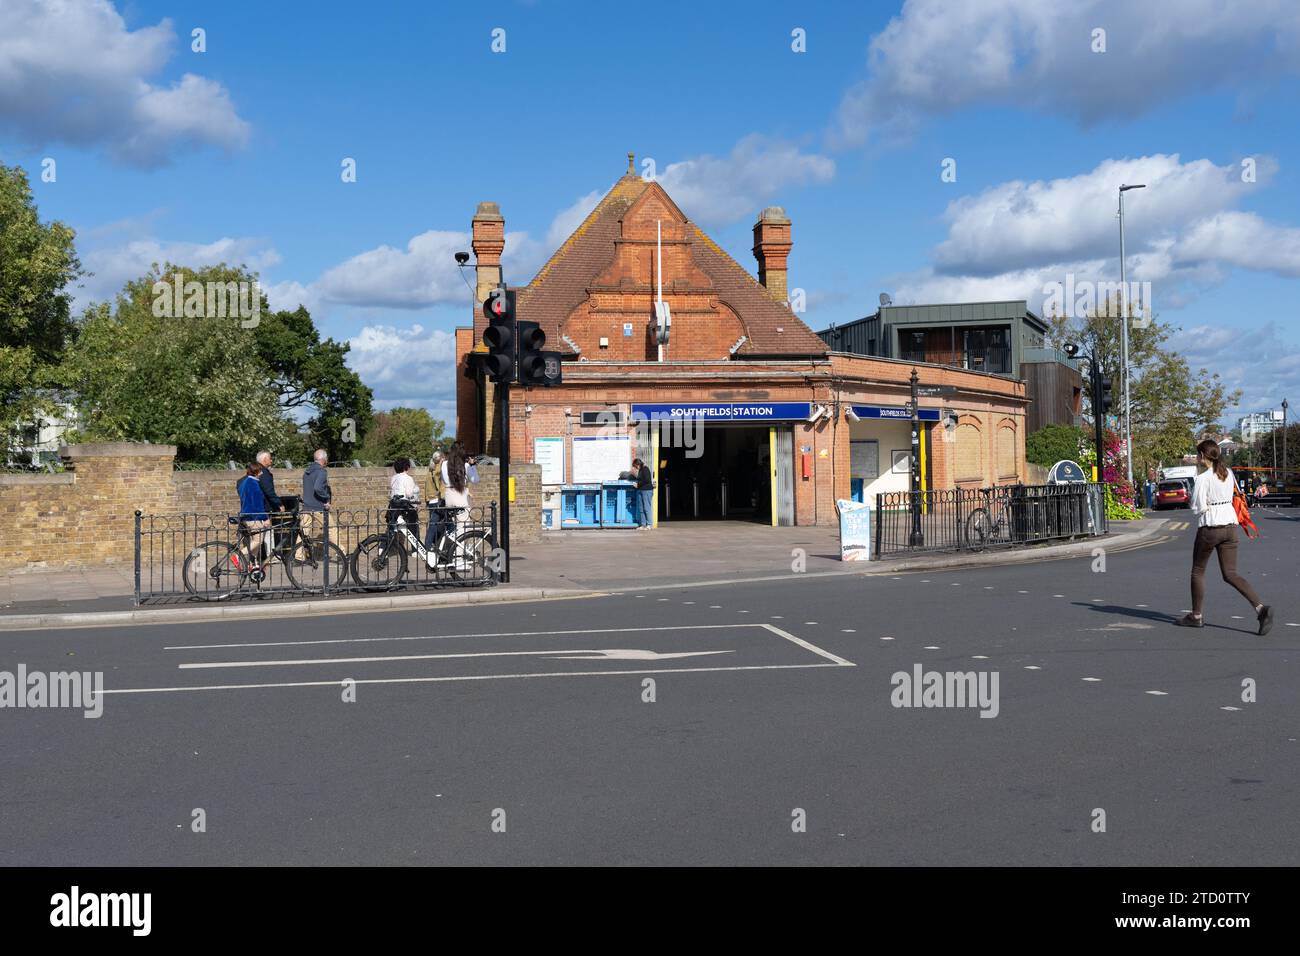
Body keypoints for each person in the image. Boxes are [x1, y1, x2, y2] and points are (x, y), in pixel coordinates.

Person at [1176, 439, 1272, 634]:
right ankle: (1260, 608)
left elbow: (1198, 507)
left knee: (1198, 570)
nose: (1197, 458)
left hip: (1210, 527)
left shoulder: (1203, 478)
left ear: (1202, 456)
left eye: (1197, 454)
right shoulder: (1229, 474)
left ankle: (1196, 616)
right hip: (1230, 526)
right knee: (1230, 574)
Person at [237, 462, 272, 568]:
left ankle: (253, 564)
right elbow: (257, 503)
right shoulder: (253, 484)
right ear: (256, 472)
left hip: (246, 515)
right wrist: (265, 518)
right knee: (258, 540)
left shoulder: (245, 482)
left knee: (255, 540)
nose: (262, 473)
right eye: (260, 471)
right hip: (253, 516)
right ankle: (238, 556)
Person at [299, 449, 332, 559]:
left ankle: (299, 557)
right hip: (318, 507)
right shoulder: (322, 471)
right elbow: (318, 488)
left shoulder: (307, 471)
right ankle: (341, 553)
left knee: (303, 532)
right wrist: (326, 498)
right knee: (332, 528)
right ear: (324, 459)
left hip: (306, 507)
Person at [425, 451, 447, 550]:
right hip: (437, 500)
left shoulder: (430, 470)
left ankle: (433, 544)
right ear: (441, 458)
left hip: (431, 500)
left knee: (436, 524)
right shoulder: (438, 470)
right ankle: (429, 545)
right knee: (436, 525)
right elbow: (440, 484)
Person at [632, 457, 653, 530]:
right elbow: (640, 480)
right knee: (641, 508)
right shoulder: (640, 470)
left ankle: (649, 524)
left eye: (635, 466)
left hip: (647, 490)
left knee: (646, 508)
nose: (635, 468)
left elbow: (647, 480)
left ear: (638, 464)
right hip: (640, 490)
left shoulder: (645, 469)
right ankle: (643, 525)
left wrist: (638, 484)